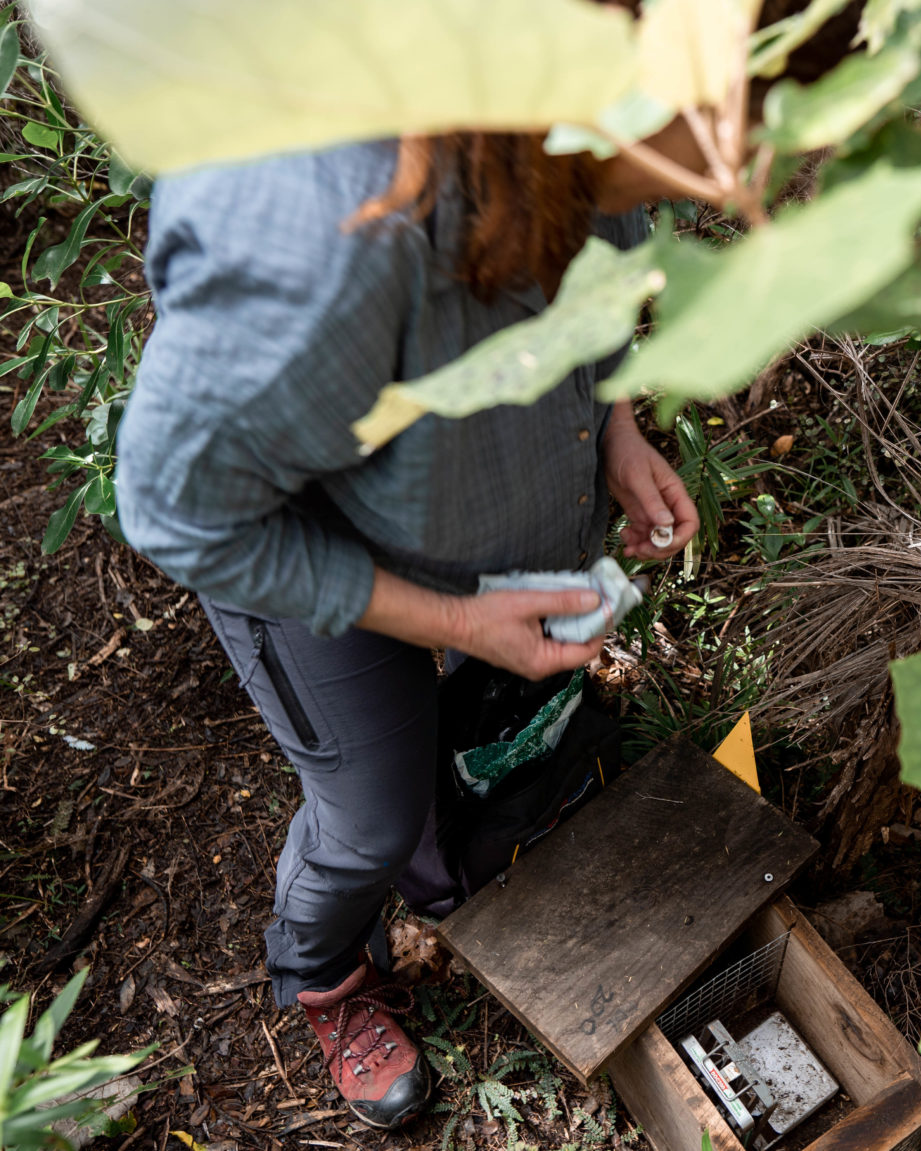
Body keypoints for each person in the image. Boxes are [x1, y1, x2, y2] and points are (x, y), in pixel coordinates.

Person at [114, 128, 702, 1128]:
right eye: (736, 120)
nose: (743, 169)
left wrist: (611, 429)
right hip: (298, 542)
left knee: (472, 722)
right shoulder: (322, 236)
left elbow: (586, 321)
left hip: (454, 523)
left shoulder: (593, 134)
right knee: (367, 817)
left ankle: (463, 827)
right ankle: (326, 974)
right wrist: (454, 617)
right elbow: (177, 509)